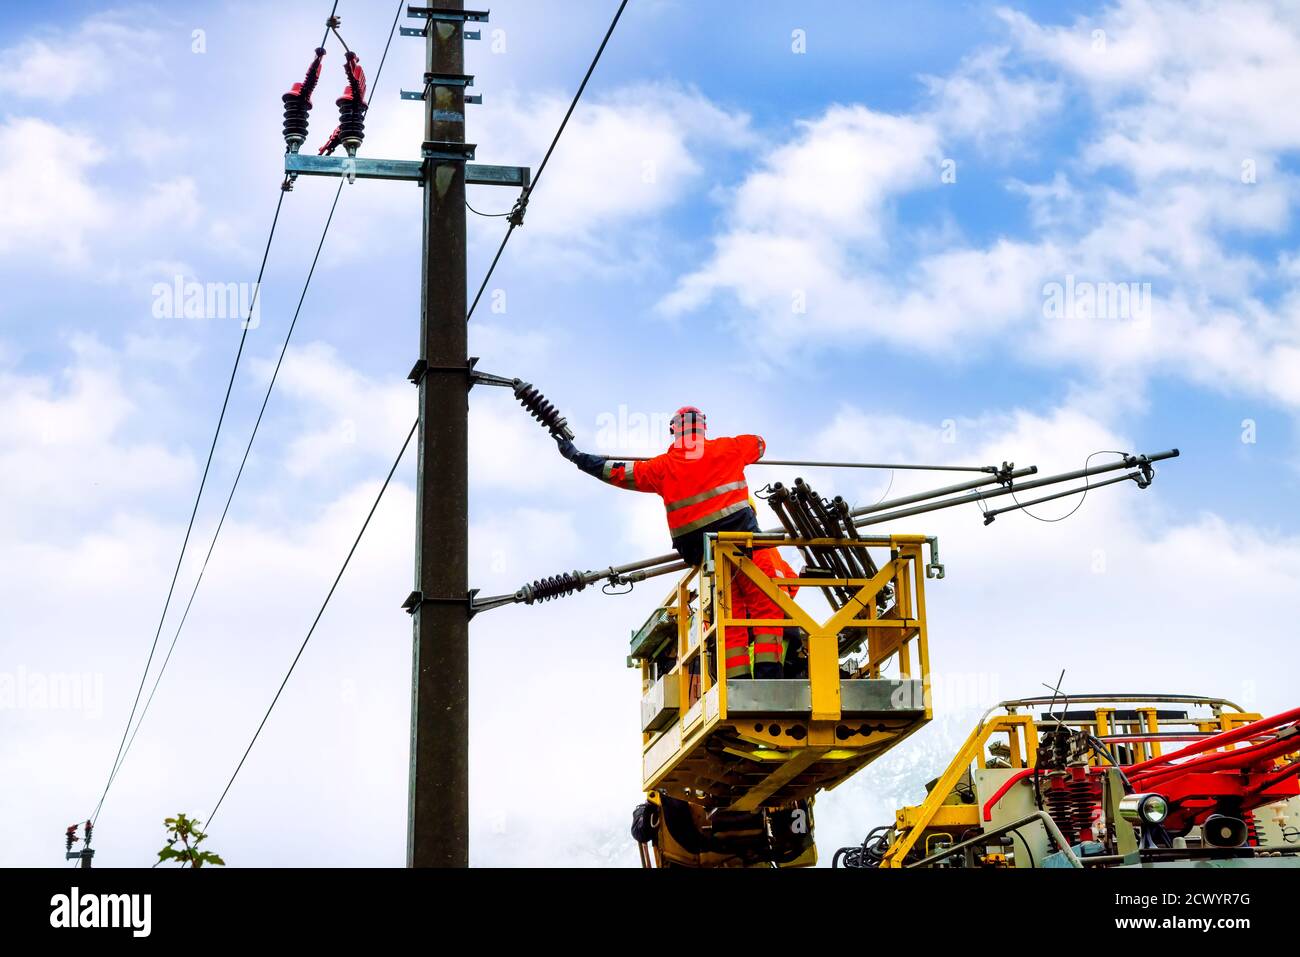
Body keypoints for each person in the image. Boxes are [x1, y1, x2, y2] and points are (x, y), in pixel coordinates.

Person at [556, 407, 785, 679]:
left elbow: (614, 472)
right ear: (703, 427)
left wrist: (576, 457)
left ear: (673, 430)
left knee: (729, 614)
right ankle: (769, 675)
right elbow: (759, 443)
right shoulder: (730, 448)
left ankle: (738, 682)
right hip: (742, 543)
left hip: (702, 552)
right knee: (766, 608)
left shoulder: (661, 467)